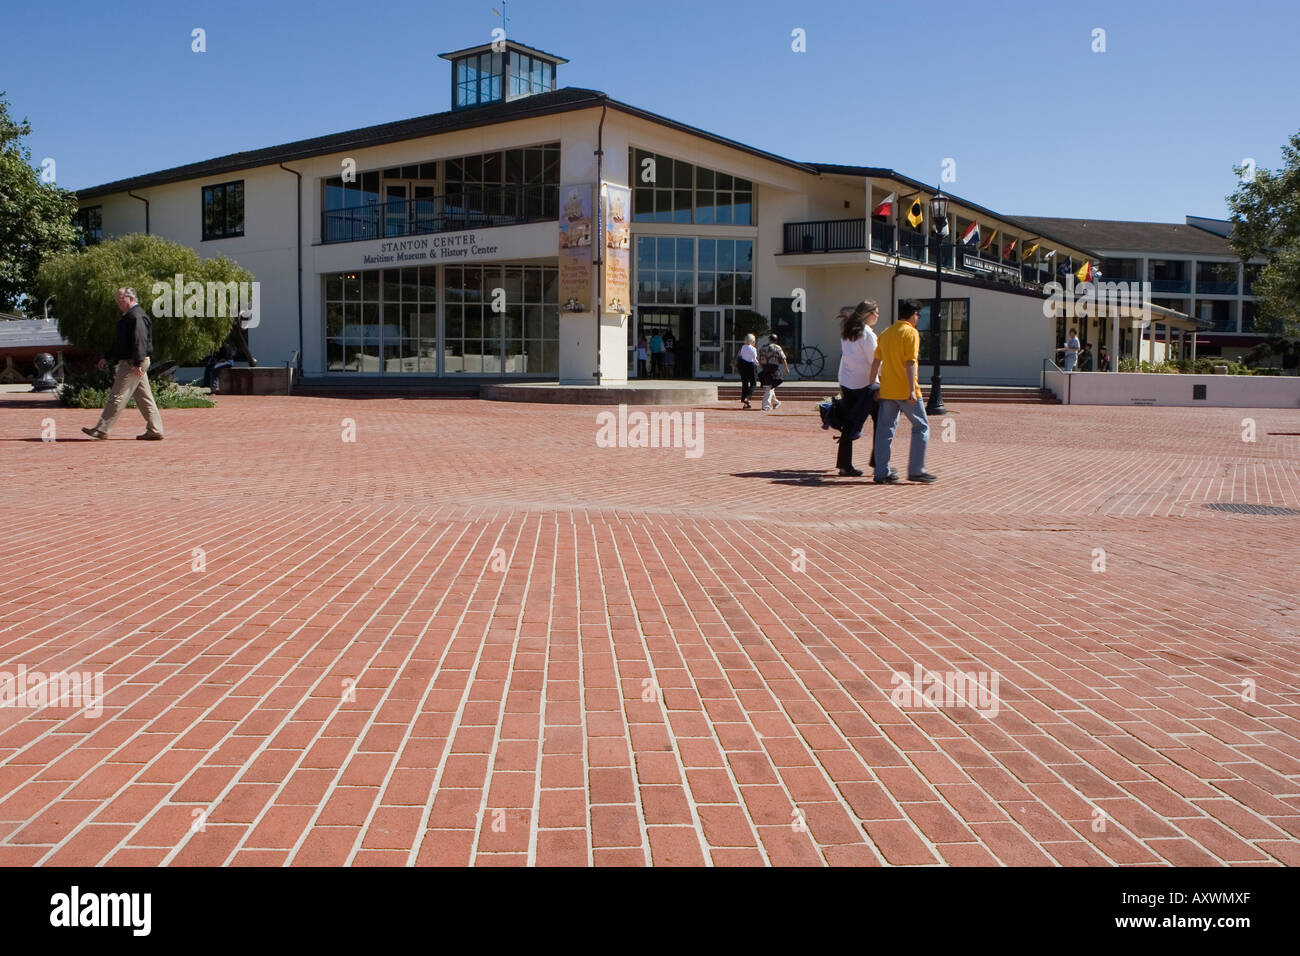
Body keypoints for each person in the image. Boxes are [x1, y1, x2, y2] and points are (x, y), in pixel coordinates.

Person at [81, 287, 164, 441]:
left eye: (120, 298)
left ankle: (102, 429)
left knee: (117, 396)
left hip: (133, 363)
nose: (117, 301)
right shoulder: (130, 316)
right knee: (144, 397)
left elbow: (139, 341)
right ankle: (155, 429)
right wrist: (107, 357)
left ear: (130, 298)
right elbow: (121, 344)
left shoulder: (136, 317)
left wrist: (137, 363)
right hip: (135, 361)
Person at [872, 300, 936, 483]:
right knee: (921, 427)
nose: (918, 319)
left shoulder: (886, 333)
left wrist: (872, 385)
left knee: (884, 431)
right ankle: (916, 470)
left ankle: (881, 473)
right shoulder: (911, 333)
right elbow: (910, 362)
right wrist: (911, 390)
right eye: (918, 315)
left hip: (887, 391)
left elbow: (876, 361)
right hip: (906, 391)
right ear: (913, 314)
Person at [835, 300, 880, 477]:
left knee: (849, 424)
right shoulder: (867, 334)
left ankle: (844, 465)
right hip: (866, 385)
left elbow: (845, 358)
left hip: (848, 382)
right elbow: (875, 361)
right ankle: (878, 462)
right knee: (881, 422)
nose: (878, 316)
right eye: (876, 312)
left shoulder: (847, 331)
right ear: (868, 314)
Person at [757, 333, 790, 411]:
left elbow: (758, 358)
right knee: (770, 386)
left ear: (769, 339)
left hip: (765, 368)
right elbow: (783, 359)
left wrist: (762, 366)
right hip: (773, 369)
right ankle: (766, 405)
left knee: (770, 386)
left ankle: (775, 402)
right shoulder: (777, 348)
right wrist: (786, 369)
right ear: (776, 340)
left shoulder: (763, 347)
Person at [736, 333, 759, 408]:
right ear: (752, 341)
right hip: (751, 366)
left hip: (743, 366)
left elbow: (740, 356)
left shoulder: (743, 347)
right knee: (753, 383)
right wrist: (759, 364)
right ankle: (747, 397)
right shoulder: (753, 349)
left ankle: (745, 402)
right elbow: (754, 359)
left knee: (745, 383)